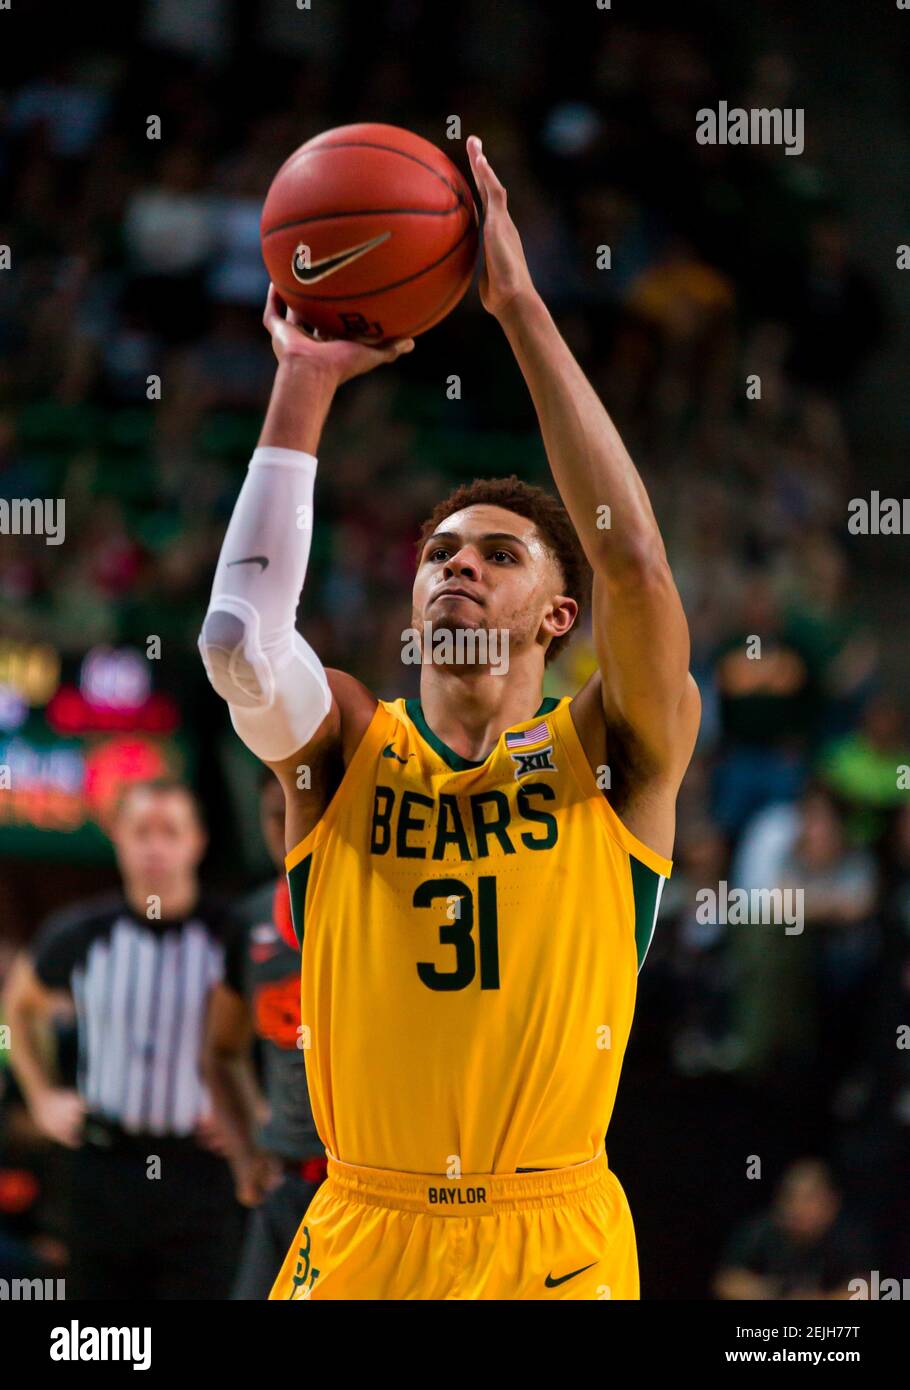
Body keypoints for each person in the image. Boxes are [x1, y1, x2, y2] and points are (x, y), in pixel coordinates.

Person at [198, 134, 700, 1301]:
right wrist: (305, 380)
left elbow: (639, 574)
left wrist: (519, 308)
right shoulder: (344, 753)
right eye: (436, 553)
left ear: (557, 613)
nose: (456, 567)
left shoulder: (613, 753)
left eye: (496, 553)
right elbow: (237, 641)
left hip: (551, 1232)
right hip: (361, 1220)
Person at [2, 778, 243, 1299]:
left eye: (169, 831)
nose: (155, 846)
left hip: (201, 1169)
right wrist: (41, 1099)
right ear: (118, 838)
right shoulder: (82, 934)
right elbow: (15, 1012)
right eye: (140, 831)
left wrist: (257, 1116)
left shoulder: (233, 935)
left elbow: (285, 1029)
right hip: (104, 1164)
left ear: (197, 841)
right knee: (103, 1332)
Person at [204, 770, 326, 1299]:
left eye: (297, 813)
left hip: (370, 1189)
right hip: (287, 1184)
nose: (286, 832)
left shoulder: (378, 907)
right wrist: (245, 1149)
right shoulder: (247, 922)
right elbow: (220, 1053)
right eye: (274, 817)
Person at [713, 1159, 874, 1300]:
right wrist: (771, 1294)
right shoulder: (761, 1230)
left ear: (831, 1202)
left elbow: (868, 1289)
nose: (798, 1207)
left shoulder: (849, 1235)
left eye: (809, 1198)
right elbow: (727, 1281)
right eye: (790, 1196)